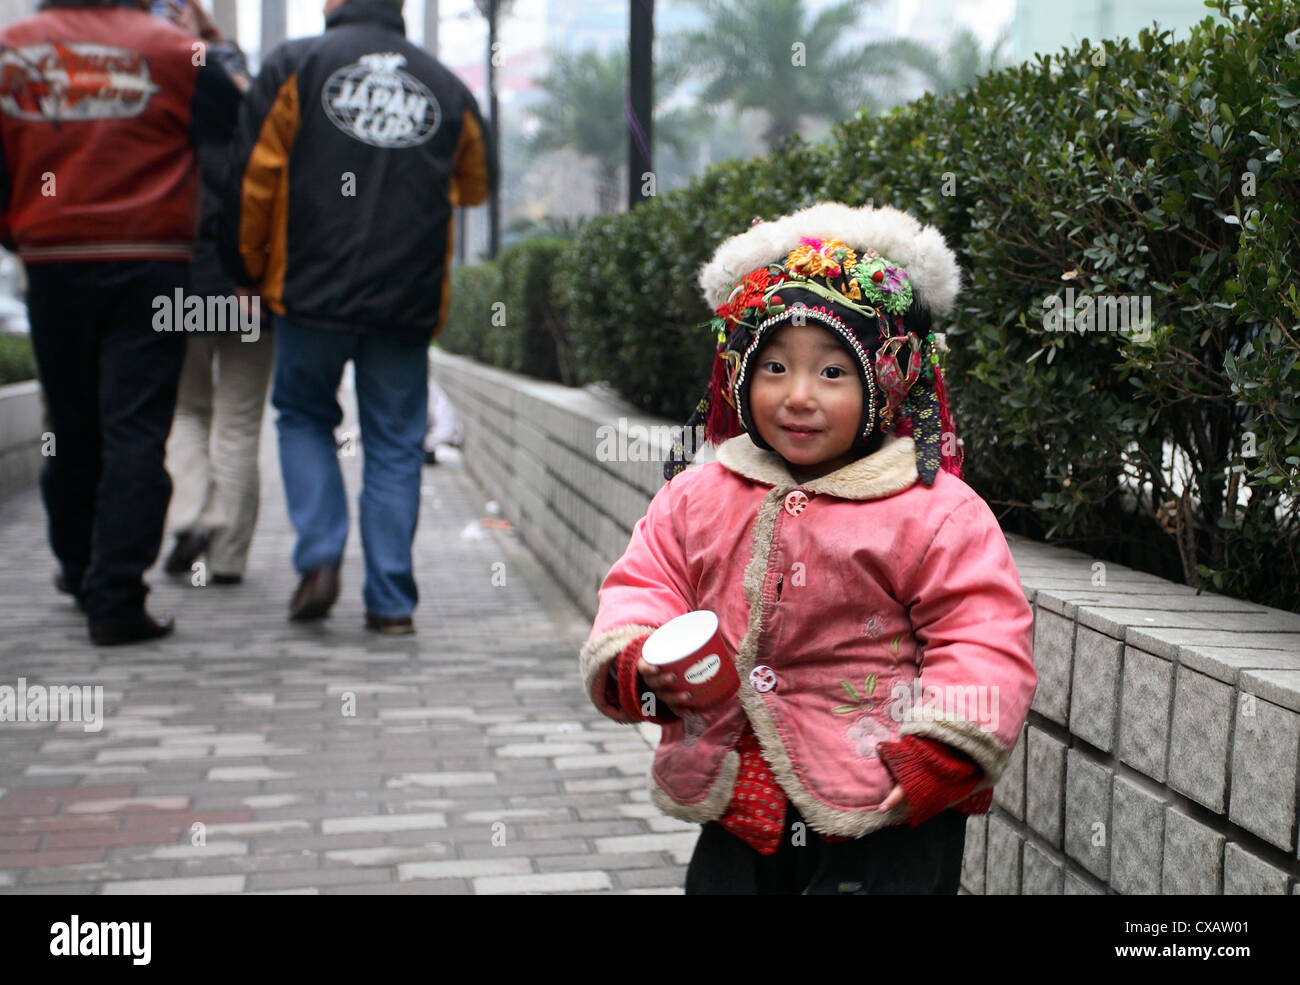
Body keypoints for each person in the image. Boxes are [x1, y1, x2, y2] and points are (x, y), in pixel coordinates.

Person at [578, 202, 1038, 894]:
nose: (797, 396)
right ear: (739, 373)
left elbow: (980, 634)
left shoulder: (933, 510)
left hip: (886, 802)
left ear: (887, 382)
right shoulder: (701, 494)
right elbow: (648, 581)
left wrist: (944, 748)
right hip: (742, 800)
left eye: (831, 373)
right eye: (773, 367)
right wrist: (639, 661)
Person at [219, 0, 494, 635]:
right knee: (396, 443)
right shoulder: (447, 84)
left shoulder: (295, 65)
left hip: (308, 290)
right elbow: (476, 185)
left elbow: (254, 176)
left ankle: (318, 556)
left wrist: (244, 269)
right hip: (406, 297)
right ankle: (392, 602)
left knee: (303, 416)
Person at [0, 0, 242, 645]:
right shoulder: (174, 51)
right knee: (136, 428)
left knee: (70, 424)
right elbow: (231, 138)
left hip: (52, 258)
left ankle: (78, 568)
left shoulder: (11, 50)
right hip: (150, 260)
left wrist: (19, 232)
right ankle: (115, 598)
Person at [159, 0, 273, 587]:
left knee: (184, 411)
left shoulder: (160, 99)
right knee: (238, 422)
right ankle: (226, 555)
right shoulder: (255, 106)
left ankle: (192, 514)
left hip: (178, 281)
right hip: (248, 282)